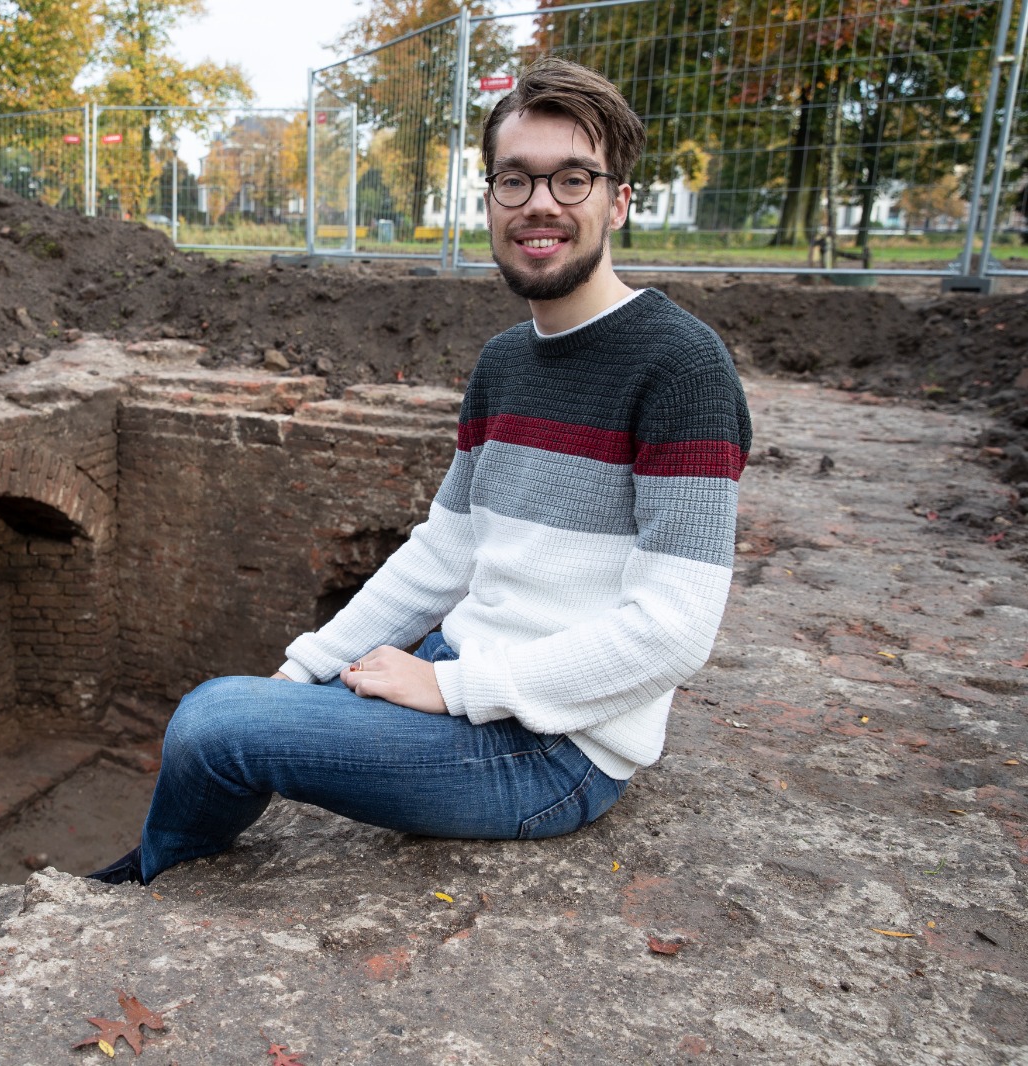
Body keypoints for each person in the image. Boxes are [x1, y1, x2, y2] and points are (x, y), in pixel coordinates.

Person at [89, 56, 752, 887]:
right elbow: (447, 549)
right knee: (252, 705)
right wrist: (305, 671)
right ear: (490, 201)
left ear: (618, 199)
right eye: (515, 180)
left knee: (211, 725)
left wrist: (456, 687)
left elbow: (673, 630)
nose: (540, 202)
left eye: (572, 178)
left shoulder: (681, 368)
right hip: (467, 672)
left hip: (554, 750)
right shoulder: (506, 362)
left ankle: (145, 884)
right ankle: (164, 870)